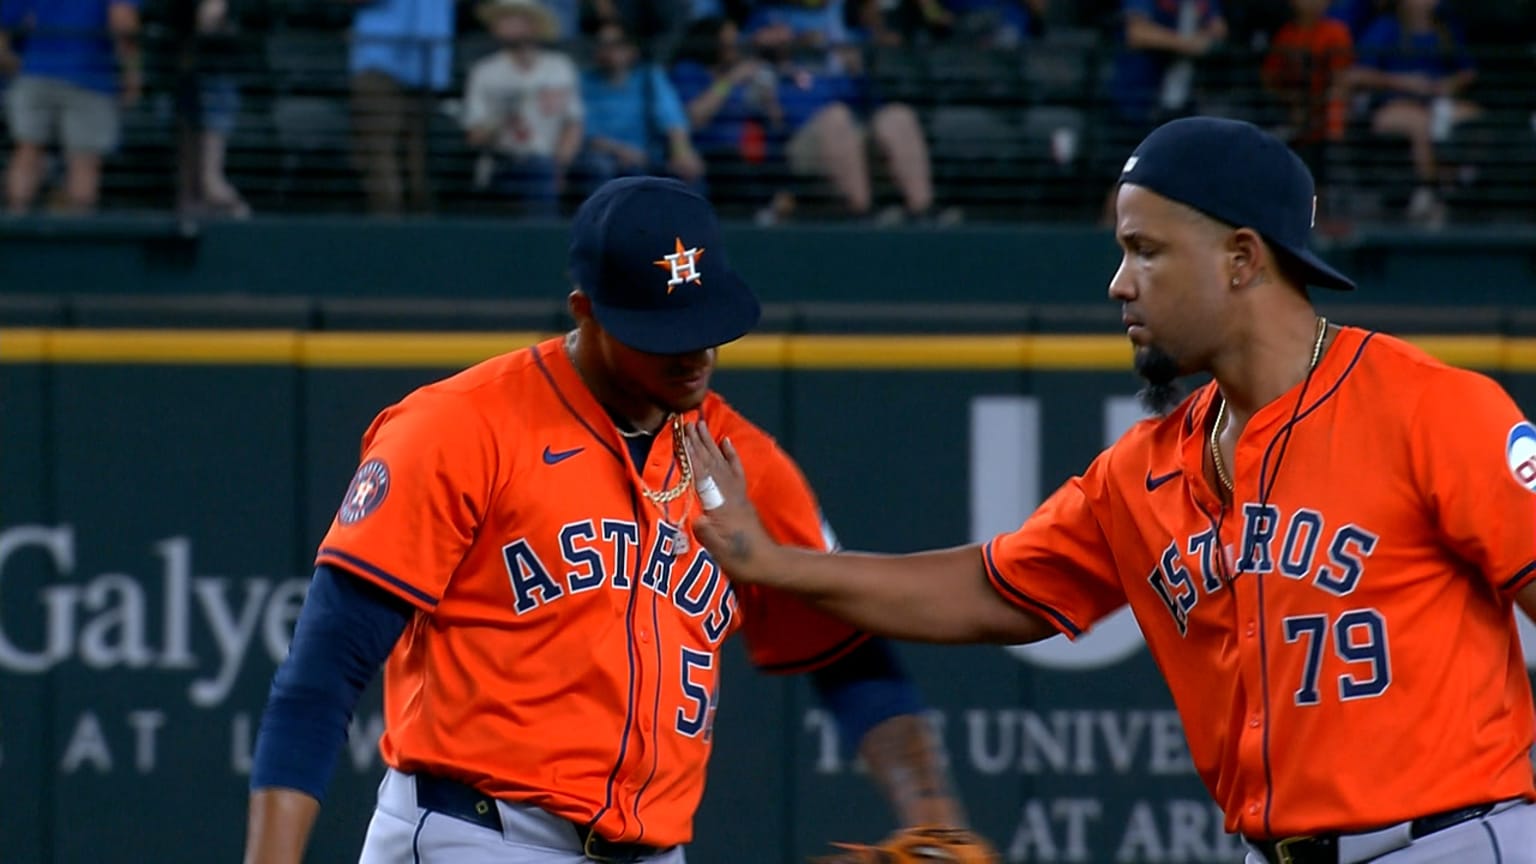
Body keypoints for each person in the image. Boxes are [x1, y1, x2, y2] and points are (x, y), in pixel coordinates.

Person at [682, 117, 1536, 864]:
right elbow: (993, 587)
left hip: (1454, 840)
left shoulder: (1432, 409)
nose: (1119, 283)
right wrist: (775, 563)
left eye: (1145, 250)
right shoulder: (1145, 468)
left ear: (1241, 258)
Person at [240, 176, 984, 864]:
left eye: (707, 323)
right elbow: (321, 674)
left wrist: (932, 816)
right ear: (585, 311)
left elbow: (848, 657)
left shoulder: (739, 461)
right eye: (664, 332)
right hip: (476, 834)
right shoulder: (457, 428)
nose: (695, 351)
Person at [0, 0, 142, 214]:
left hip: (34, 74)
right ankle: (78, 233)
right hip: (90, 76)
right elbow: (123, 20)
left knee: (27, 151)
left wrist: (18, 68)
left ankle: (15, 219)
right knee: (83, 162)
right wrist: (132, 74)